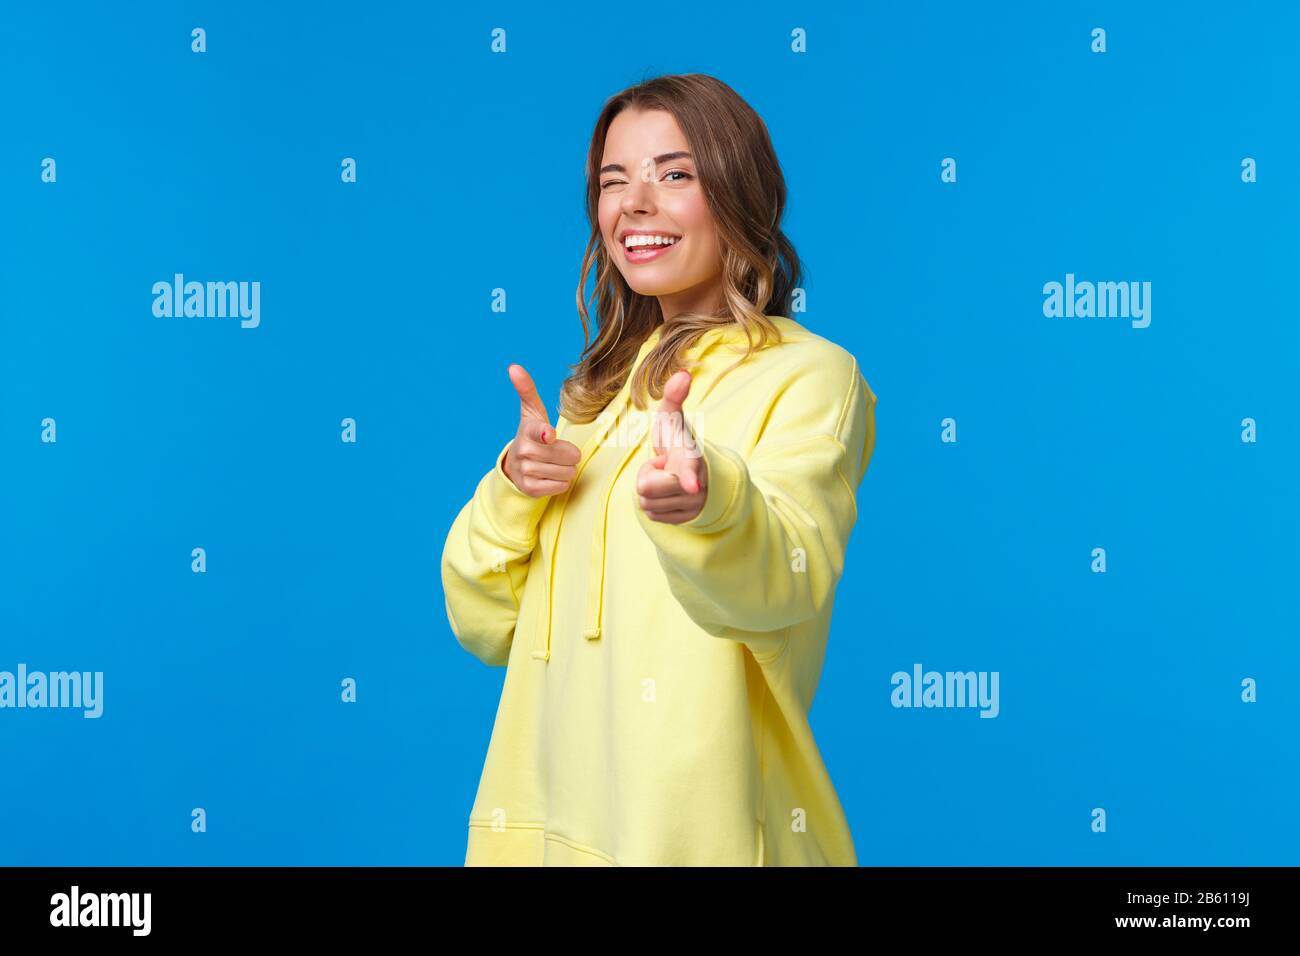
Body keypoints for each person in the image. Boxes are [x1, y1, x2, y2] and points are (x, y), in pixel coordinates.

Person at [440, 73, 877, 866]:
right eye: (614, 181)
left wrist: (712, 504)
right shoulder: (589, 397)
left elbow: (788, 575)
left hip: (704, 841)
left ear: (741, 193)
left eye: (674, 174)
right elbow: (484, 624)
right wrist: (512, 488)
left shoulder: (811, 376)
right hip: (540, 837)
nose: (634, 204)